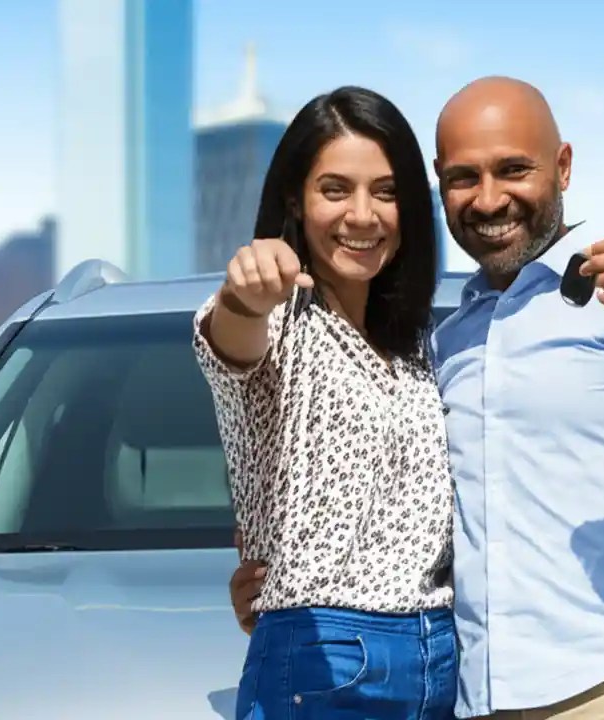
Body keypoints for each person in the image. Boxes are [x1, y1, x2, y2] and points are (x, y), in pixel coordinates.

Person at [230, 76, 604, 720]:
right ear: (438, 184)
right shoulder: (444, 342)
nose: (489, 199)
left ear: (563, 167)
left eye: (514, 170)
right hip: (456, 695)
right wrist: (294, 573)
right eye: (464, 178)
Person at [193, 85, 457, 719]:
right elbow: (228, 342)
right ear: (296, 201)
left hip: (445, 657)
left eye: (386, 192)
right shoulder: (283, 320)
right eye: (335, 189)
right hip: (324, 659)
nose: (362, 215)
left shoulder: (421, 349)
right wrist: (246, 295)